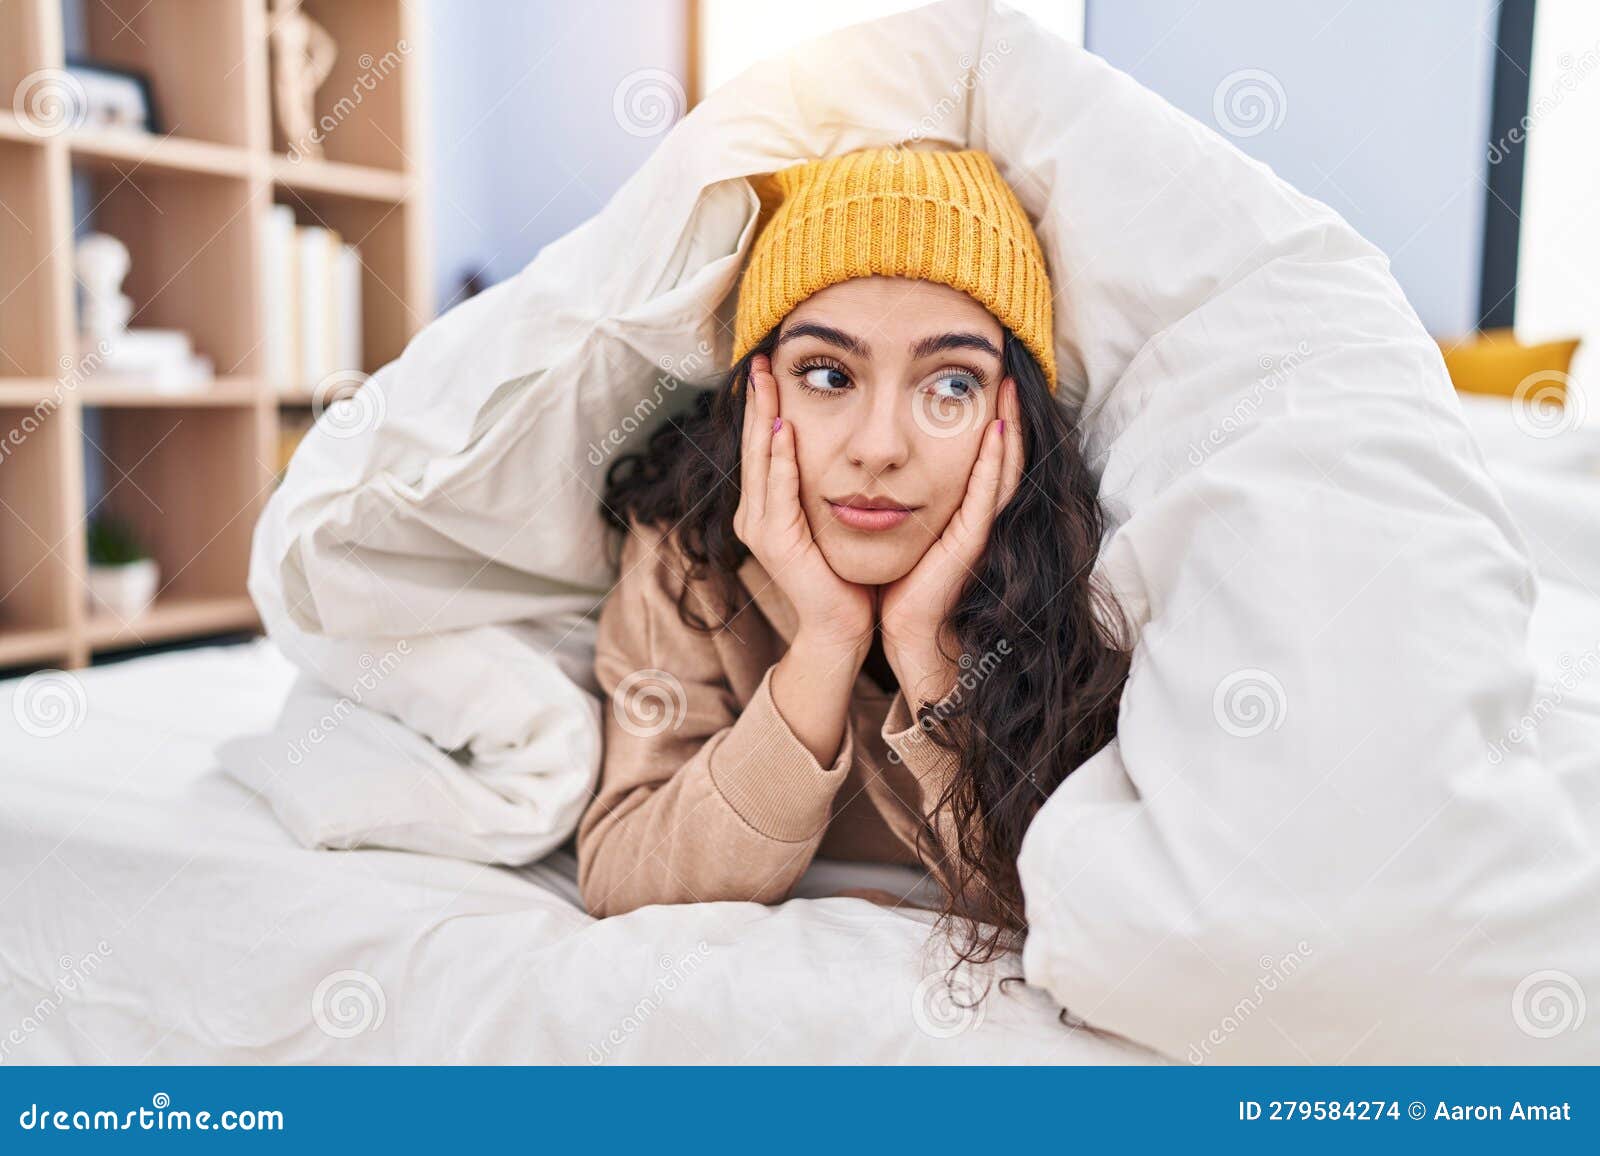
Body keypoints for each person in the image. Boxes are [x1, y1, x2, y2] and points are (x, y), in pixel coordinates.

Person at [578, 146, 1130, 967]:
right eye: (829, 374)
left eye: (952, 386)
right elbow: (625, 877)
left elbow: (1087, 912)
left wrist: (927, 650)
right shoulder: (688, 550)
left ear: (1012, 420)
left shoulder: (1088, 570)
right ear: (759, 392)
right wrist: (826, 641)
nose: (878, 448)